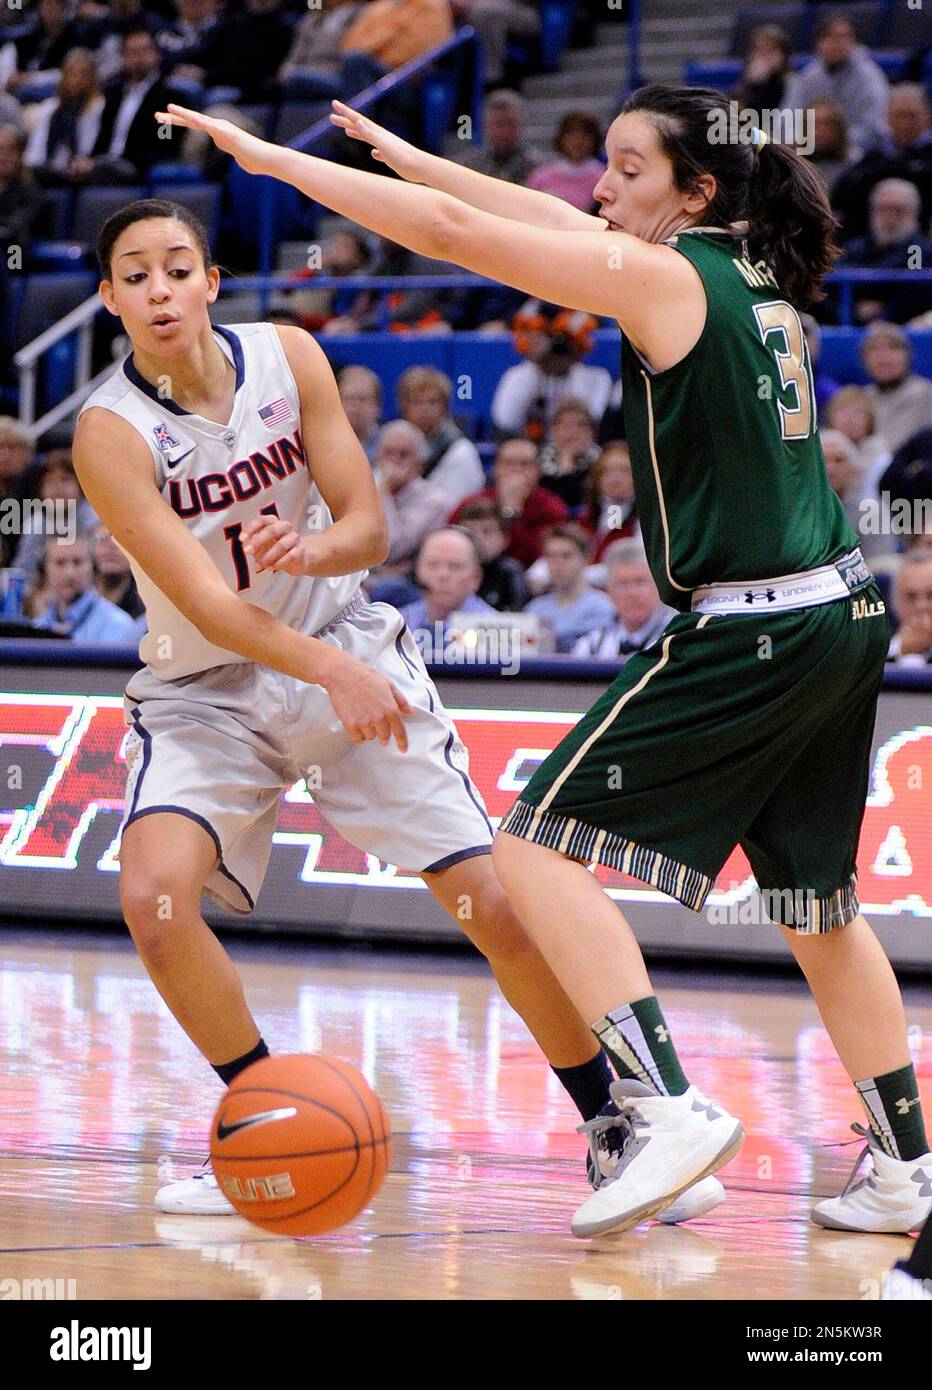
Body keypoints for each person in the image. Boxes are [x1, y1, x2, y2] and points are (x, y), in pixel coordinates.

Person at [156, 82, 931, 1239]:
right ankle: (904, 1166)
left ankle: (663, 1106)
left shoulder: (664, 276)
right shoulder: (732, 268)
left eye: (623, 170)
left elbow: (469, 240)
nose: (598, 189)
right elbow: (520, 212)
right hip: (838, 609)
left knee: (533, 849)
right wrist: (407, 151)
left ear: (693, 190)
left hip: (749, 620)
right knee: (815, 907)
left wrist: (277, 165)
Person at [74, 198, 618, 1217]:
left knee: (495, 906)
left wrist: (319, 555)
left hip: (343, 646)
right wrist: (324, 666)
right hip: (205, 690)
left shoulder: (292, 358)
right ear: (108, 298)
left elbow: (367, 526)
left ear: (212, 281)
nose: (159, 290)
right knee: (152, 900)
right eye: (136, 275)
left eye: (177, 268)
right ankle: (265, 1115)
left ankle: (613, 1122)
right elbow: (203, 604)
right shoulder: (109, 433)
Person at [450, 436, 568, 568]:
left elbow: (536, 559)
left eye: (525, 464)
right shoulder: (473, 502)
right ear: (496, 467)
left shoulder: (550, 507)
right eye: (508, 463)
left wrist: (511, 511)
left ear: (538, 470)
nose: (516, 470)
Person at [784, 12, 889, 157]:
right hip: (811, 151)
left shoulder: (870, 76)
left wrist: (835, 141)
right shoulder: (809, 76)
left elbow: (875, 128)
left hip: (855, 153)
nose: (838, 43)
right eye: (831, 37)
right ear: (818, 43)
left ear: (854, 42)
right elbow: (786, 120)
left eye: (845, 37)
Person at [396, 366, 484, 509]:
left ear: (445, 406)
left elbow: (457, 506)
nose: (425, 410)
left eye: (433, 402)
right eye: (417, 402)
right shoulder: (393, 446)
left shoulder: (461, 451)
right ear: (404, 406)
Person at [572, 538, 674, 659]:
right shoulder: (591, 646)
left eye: (641, 582)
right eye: (622, 584)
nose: (632, 593)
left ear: (659, 586)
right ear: (609, 591)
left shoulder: (677, 639)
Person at [399, 525, 495, 649]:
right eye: (433, 565)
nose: (443, 575)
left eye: (455, 567)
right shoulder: (397, 625)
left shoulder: (495, 630)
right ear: (416, 573)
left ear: (475, 578)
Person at [32, 533, 140, 643]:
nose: (69, 573)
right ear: (44, 569)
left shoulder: (118, 625)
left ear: (93, 567)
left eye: (77, 562)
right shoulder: (36, 627)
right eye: (60, 563)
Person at [525, 523, 614, 652]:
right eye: (551, 556)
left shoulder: (602, 606)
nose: (557, 564)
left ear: (586, 559)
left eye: (566, 555)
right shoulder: (535, 607)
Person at [861, 322, 932, 454]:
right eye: (874, 349)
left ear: (907, 356)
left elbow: (897, 447)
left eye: (892, 348)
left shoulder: (923, 394)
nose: (883, 358)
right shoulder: (861, 397)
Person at [457, 496, 530, 611]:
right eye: (470, 531)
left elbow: (517, 618)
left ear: (505, 539)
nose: (478, 538)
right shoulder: (450, 571)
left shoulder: (509, 572)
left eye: (487, 532)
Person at [886, 550, 932, 664]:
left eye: (931, 595)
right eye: (911, 597)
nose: (922, 606)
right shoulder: (877, 655)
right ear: (896, 604)